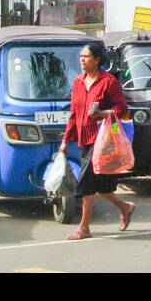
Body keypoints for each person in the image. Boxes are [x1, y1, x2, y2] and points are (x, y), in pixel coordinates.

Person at [60, 42, 134, 241]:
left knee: (86, 182)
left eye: (86, 56)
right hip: (84, 138)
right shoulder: (78, 82)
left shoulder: (109, 82)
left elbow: (122, 109)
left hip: (104, 139)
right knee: (102, 185)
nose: (82, 60)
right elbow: (74, 113)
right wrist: (66, 140)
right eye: (81, 56)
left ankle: (84, 227)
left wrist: (102, 113)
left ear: (97, 59)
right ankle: (125, 207)